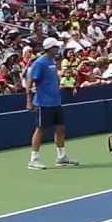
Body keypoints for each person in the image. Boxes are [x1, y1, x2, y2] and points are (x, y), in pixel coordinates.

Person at [25, 37, 78, 170]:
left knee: (61, 128)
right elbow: (30, 81)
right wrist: (29, 101)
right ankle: (33, 160)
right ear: (50, 48)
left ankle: (61, 157)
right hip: (43, 103)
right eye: (56, 47)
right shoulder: (40, 63)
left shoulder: (52, 61)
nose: (58, 49)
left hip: (56, 102)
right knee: (40, 129)